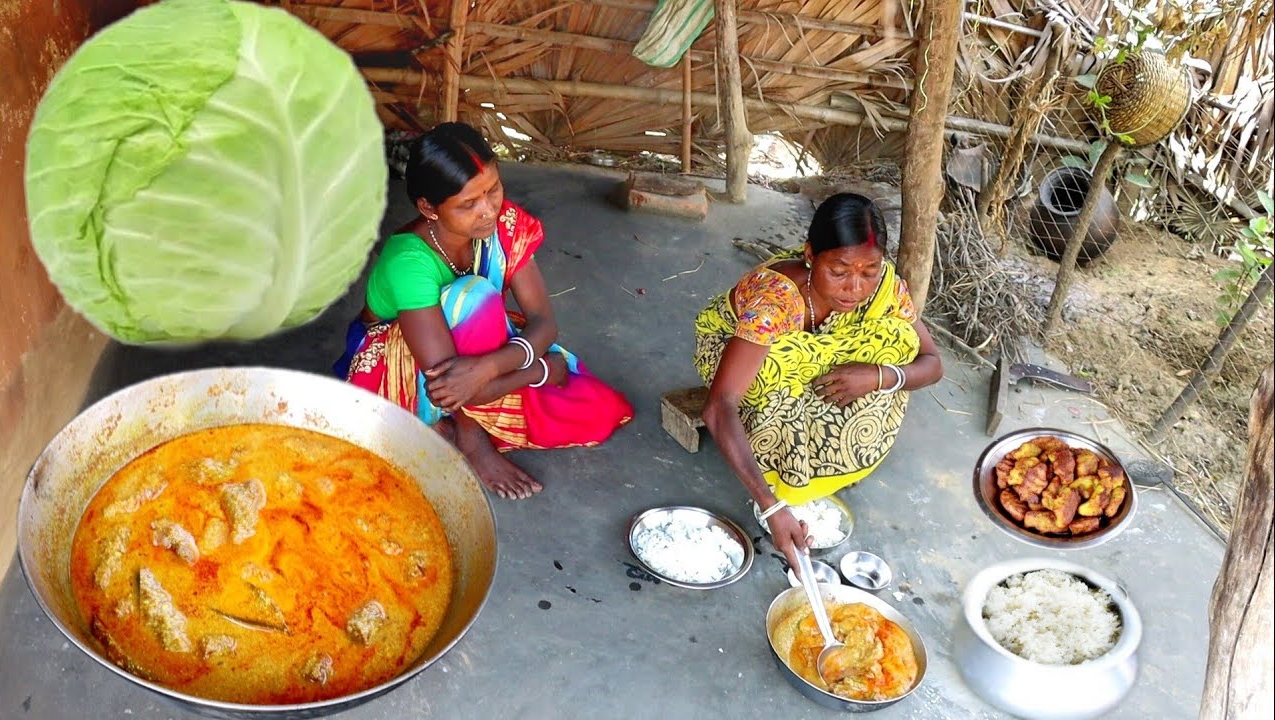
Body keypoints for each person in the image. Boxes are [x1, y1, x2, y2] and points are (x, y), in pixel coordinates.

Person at [336, 122, 633, 499]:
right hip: (401, 368)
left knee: (594, 410)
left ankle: (442, 426)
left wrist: (491, 367)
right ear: (429, 207)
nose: (488, 210)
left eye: (493, 189)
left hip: (475, 352)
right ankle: (470, 437)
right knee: (474, 297)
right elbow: (453, 387)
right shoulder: (407, 262)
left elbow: (544, 323)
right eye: (468, 204)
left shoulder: (504, 224)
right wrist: (540, 369)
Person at [694, 193, 943, 567]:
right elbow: (719, 405)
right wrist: (772, 505)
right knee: (774, 370)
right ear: (810, 256)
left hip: (818, 359)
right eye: (839, 271)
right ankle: (784, 479)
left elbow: (932, 363)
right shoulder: (775, 301)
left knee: (895, 345)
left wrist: (876, 377)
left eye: (868, 272)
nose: (855, 289)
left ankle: (828, 469)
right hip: (741, 354)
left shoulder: (884, 287)